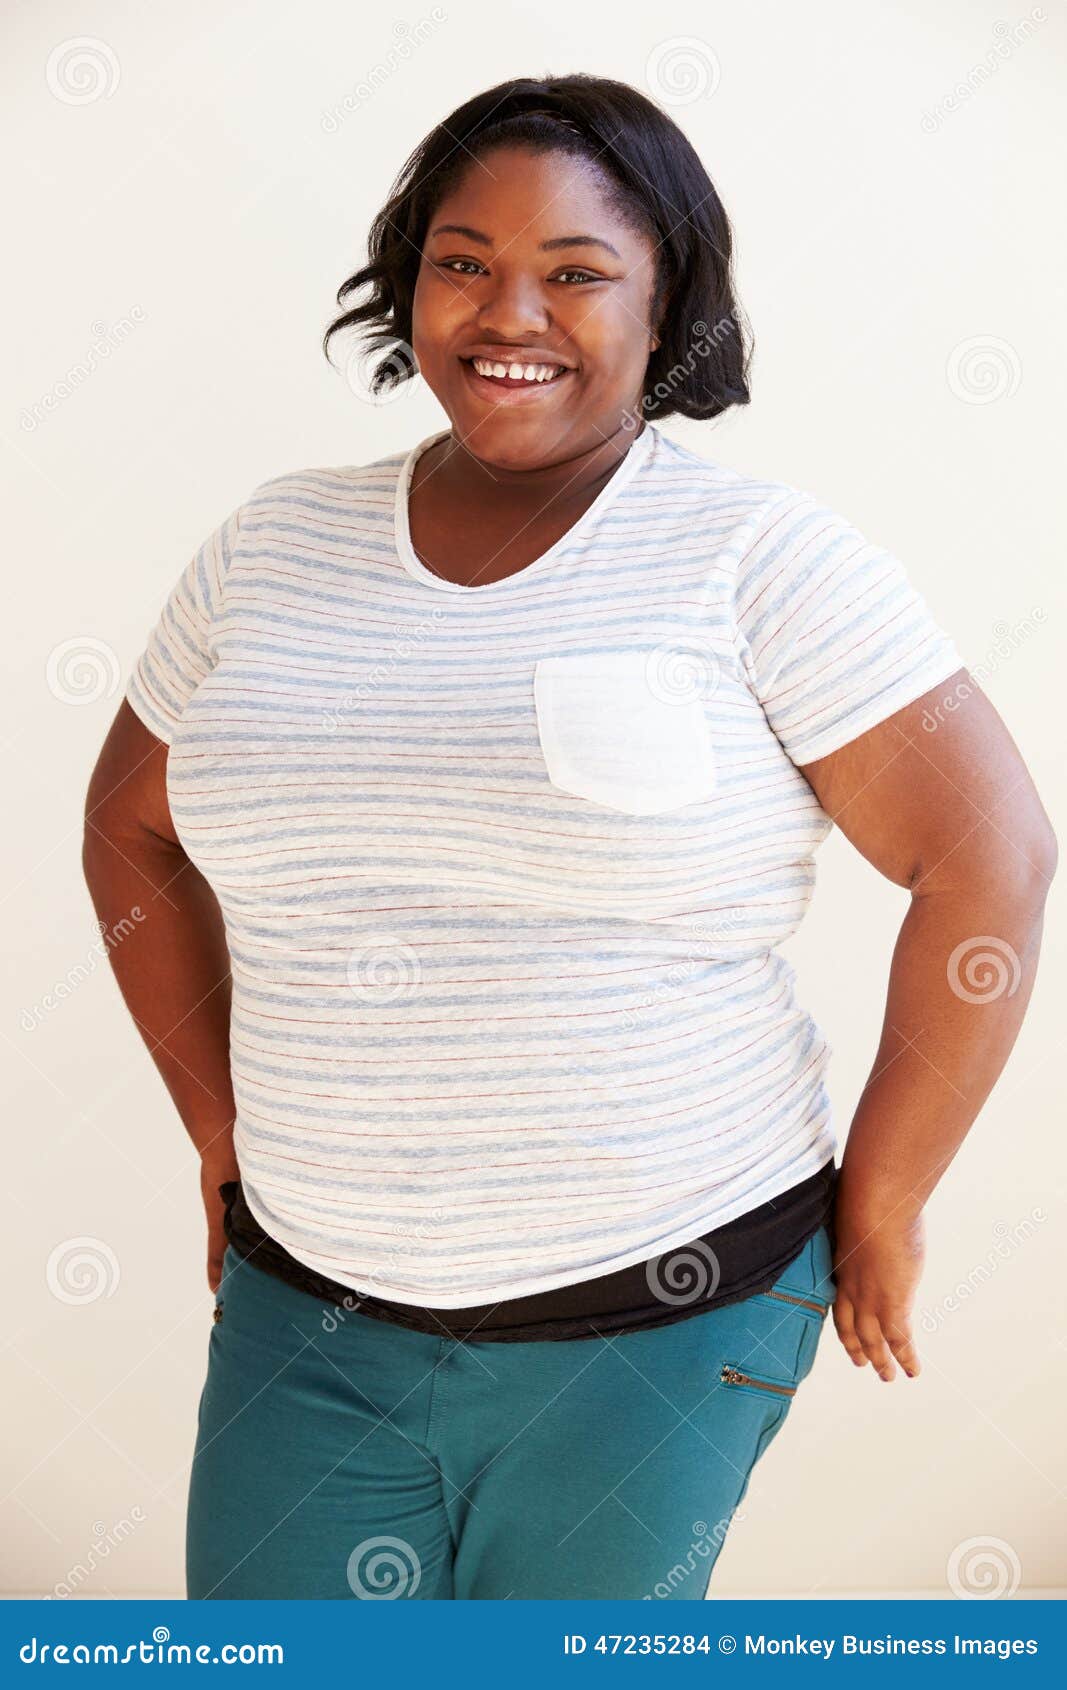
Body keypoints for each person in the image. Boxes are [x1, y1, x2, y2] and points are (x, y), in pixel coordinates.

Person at [82, 75, 1055, 1601]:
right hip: (305, 1311)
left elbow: (990, 856)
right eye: (461, 260)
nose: (505, 309)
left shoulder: (758, 557)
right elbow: (128, 824)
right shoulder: (270, 544)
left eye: (577, 272)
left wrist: (886, 1189)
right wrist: (219, 1129)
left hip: (664, 1318)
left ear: (667, 308)